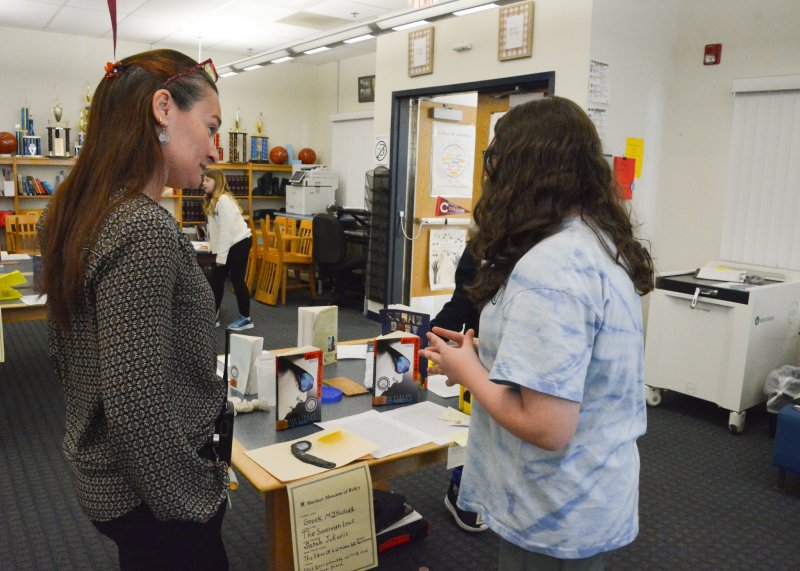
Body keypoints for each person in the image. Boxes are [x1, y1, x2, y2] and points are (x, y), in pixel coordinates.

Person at [421, 96, 654, 570]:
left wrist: (469, 373)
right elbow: (576, 362)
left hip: (554, 503)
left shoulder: (550, 267)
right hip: (586, 491)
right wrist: (491, 353)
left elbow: (549, 428)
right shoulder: (594, 241)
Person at [39, 49, 230, 569]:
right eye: (210, 127)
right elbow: (135, 402)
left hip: (110, 478)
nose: (215, 150)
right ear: (163, 108)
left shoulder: (81, 211)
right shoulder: (141, 227)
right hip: (152, 494)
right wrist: (193, 502)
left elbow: (69, 354)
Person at [429, 247, 487, 533]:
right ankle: (462, 493)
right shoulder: (485, 243)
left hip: (517, 355)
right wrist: (435, 332)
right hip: (480, 356)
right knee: (475, 426)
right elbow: (463, 299)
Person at [202, 169, 253, 331]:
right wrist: (214, 249)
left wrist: (220, 257)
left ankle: (246, 319)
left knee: (237, 280)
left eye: (207, 181)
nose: (203, 183)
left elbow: (226, 230)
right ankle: (213, 316)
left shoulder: (223, 199)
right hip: (230, 243)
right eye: (203, 180)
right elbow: (215, 230)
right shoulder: (212, 200)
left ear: (217, 182)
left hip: (239, 242)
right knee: (217, 279)